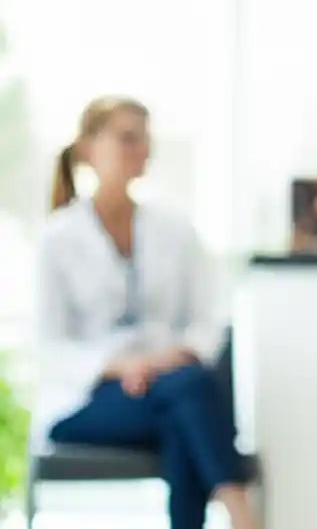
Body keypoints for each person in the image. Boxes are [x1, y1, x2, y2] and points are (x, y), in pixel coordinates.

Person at [34, 96, 258, 529]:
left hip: (168, 384)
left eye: (145, 139)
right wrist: (123, 367)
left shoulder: (174, 228)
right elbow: (51, 348)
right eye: (127, 138)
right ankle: (242, 514)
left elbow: (208, 318)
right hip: (88, 401)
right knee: (188, 395)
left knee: (181, 408)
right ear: (87, 147)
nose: (141, 150)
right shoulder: (57, 239)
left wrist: (161, 364)